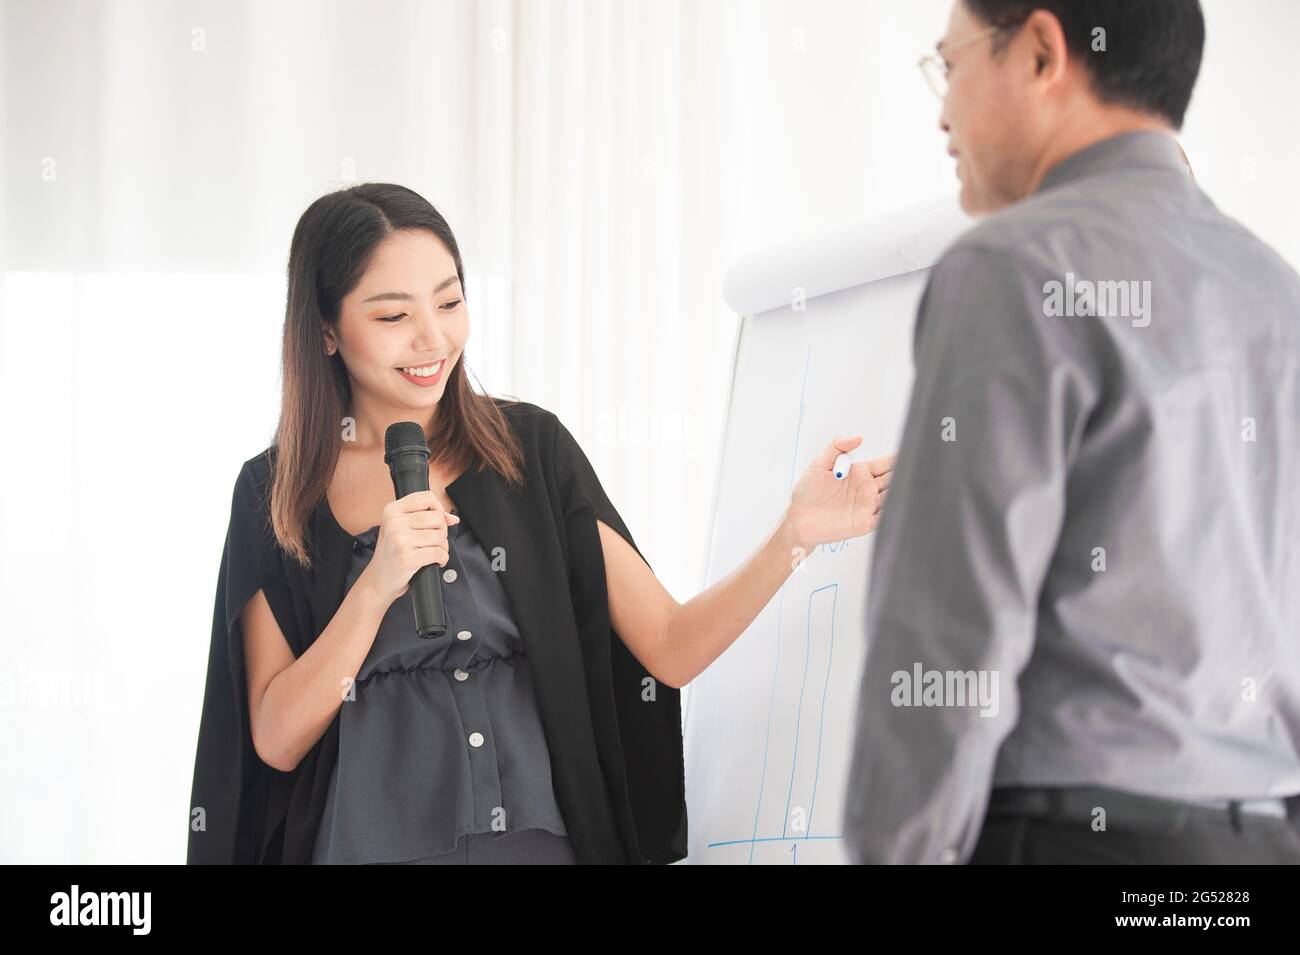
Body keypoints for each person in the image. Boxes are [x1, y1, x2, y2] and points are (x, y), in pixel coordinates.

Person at [188, 182, 897, 864]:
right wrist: (376, 586)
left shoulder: (529, 449)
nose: (433, 338)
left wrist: (793, 534)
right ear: (326, 330)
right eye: (393, 316)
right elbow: (276, 735)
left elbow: (671, 646)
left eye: (450, 301)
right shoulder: (275, 491)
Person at [843, 0, 1300, 864]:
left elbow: (948, 638)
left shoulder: (1014, 268)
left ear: (1044, 53)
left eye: (953, 64)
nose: (943, 109)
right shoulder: (1277, 293)